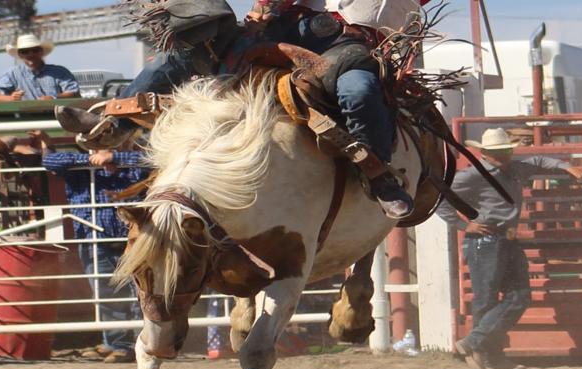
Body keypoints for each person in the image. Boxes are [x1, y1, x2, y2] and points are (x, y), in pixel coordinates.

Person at [61, 0, 412, 218]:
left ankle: (377, 174)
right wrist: (265, 8)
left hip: (345, 46)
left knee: (358, 91)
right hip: (285, 30)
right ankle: (114, 123)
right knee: (185, 52)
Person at [434, 127, 582, 369]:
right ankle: (489, 354)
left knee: (518, 296)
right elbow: (440, 197)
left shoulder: (516, 168)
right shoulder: (473, 175)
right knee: (489, 299)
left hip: (504, 239)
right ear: (484, 153)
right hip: (486, 240)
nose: (502, 155)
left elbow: (540, 160)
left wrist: (566, 167)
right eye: (497, 152)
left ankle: (476, 344)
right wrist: (464, 225)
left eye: (505, 150)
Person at [33, 131, 150, 362]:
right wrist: (91, 159)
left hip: (134, 239)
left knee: (139, 292)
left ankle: (139, 343)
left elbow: (153, 160)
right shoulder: (79, 166)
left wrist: (115, 157)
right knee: (106, 291)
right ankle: (117, 343)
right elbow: (50, 161)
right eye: (97, 144)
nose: (103, 148)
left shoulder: (134, 165)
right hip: (95, 237)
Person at [0, 33, 81, 102]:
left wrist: (53, 98)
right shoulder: (12, 73)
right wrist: (11, 98)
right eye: (25, 51)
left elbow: (74, 93)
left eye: (35, 50)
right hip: (28, 118)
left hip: (59, 116)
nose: (30, 54)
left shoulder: (60, 72)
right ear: (20, 55)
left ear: (41, 52)